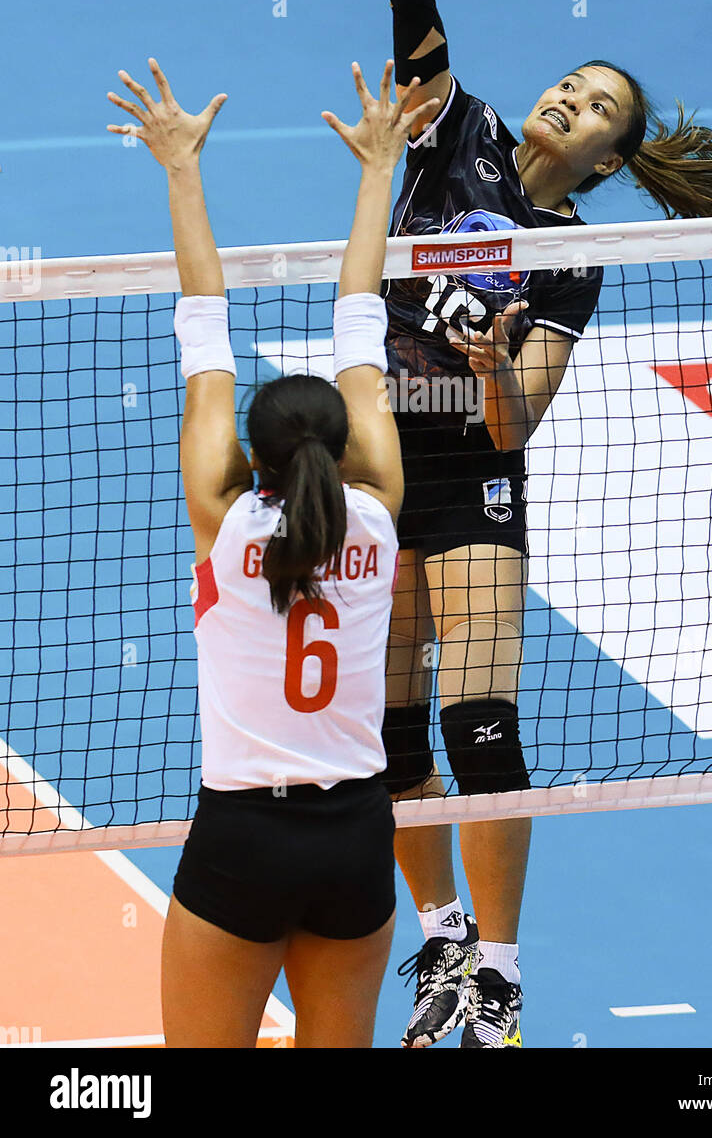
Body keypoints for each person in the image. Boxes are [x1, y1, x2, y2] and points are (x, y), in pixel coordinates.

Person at [348, 0, 712, 1049]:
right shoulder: (449, 134)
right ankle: (441, 942)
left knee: (478, 724)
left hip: (469, 467)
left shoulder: (570, 256)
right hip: (374, 449)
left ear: (604, 162)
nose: (568, 103)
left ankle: (504, 973)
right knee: (386, 725)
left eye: (595, 113)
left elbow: (520, 419)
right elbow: (415, 22)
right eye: (570, 86)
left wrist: (489, 352)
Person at [106, 55, 438, 1048]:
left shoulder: (224, 518)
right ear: (344, 447)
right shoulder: (376, 513)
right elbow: (362, 333)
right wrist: (381, 166)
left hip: (243, 839)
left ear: (252, 452)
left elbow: (203, 332)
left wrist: (179, 167)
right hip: (355, 840)